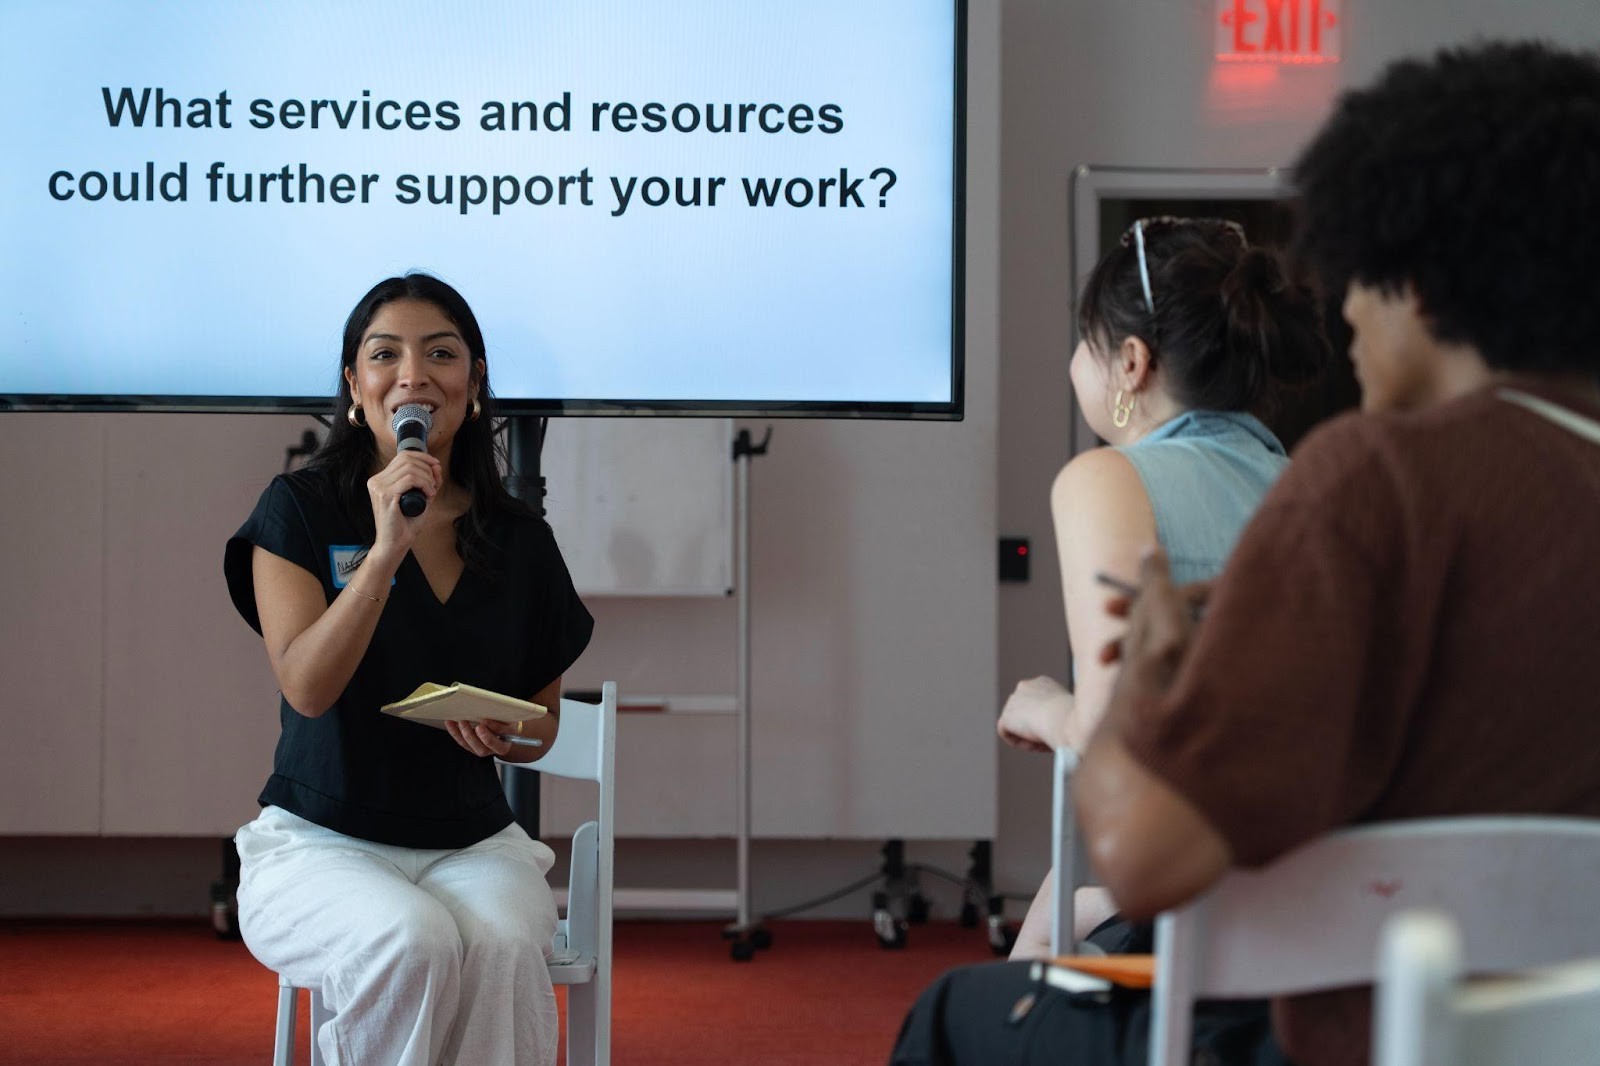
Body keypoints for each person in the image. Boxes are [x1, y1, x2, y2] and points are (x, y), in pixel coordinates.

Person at [891, 39, 1600, 1066]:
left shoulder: (1374, 478)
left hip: (1361, 1032)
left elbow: (1149, 862)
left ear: (1424, 283)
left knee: (955, 1015)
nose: (1345, 317)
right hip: (1560, 1029)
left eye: (1360, 272)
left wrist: (1148, 687)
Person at [223, 272, 593, 1066]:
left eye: (441, 354)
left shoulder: (520, 537)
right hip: (321, 843)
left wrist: (507, 733)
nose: (414, 375)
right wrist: (386, 550)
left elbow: (543, 720)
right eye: (385, 354)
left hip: (472, 841)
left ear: (475, 383)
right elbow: (308, 687)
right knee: (411, 939)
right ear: (356, 386)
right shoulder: (299, 509)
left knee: (498, 947)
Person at [996, 216, 1331, 958]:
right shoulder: (1309, 486)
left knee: (954, 1016)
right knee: (1060, 904)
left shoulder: (1104, 481)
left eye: (1086, 343)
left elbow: (1117, 730)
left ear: (1131, 364)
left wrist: (1050, 710)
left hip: (1201, 919)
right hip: (1320, 900)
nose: (1073, 364)